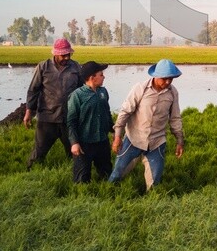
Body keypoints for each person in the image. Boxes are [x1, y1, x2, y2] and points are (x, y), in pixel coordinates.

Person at [108, 59, 185, 191]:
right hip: (134, 139)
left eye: (171, 79)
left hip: (157, 141)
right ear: (156, 76)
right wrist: (117, 137)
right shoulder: (140, 89)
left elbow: (175, 118)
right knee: (118, 172)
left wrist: (180, 140)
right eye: (164, 79)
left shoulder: (172, 92)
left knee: (155, 181)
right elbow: (125, 112)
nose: (167, 82)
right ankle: (107, 192)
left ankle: (152, 202)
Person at [24, 37, 83, 170]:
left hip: (69, 118)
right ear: (55, 54)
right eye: (63, 55)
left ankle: (74, 174)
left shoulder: (76, 67)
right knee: (39, 151)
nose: (67, 57)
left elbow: (81, 90)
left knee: (74, 151)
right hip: (47, 118)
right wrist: (28, 112)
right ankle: (30, 172)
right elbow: (33, 90)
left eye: (69, 54)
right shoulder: (43, 67)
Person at [66, 61, 113, 183]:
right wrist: (74, 142)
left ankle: (107, 194)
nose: (104, 77)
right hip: (84, 142)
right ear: (92, 78)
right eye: (101, 74)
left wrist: (113, 131)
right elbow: (71, 121)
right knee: (81, 179)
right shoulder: (77, 95)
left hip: (102, 140)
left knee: (107, 174)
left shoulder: (103, 92)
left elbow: (107, 113)